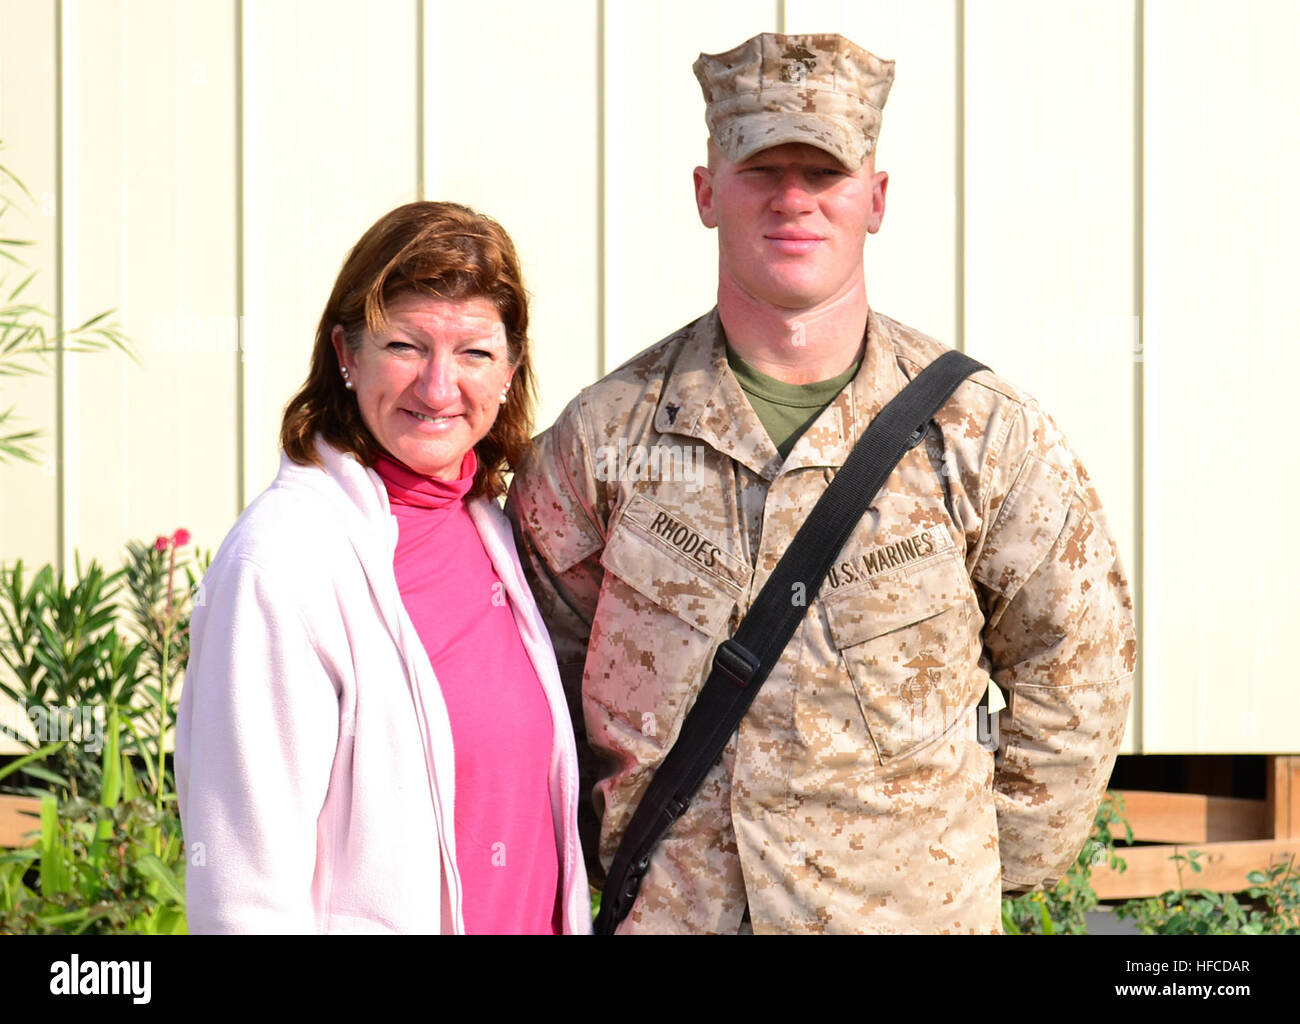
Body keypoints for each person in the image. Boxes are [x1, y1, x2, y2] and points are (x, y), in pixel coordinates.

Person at [505, 32, 1135, 933]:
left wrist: (958, 867)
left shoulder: (984, 436)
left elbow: (1077, 662)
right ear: (705, 193)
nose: (794, 199)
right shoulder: (605, 441)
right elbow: (534, 684)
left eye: (825, 172)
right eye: (763, 169)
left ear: (875, 200)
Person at [176, 201, 590, 934]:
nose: (438, 387)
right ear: (346, 352)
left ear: (511, 370)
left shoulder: (497, 532)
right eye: (404, 345)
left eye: (474, 353)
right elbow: (243, 894)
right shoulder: (281, 563)